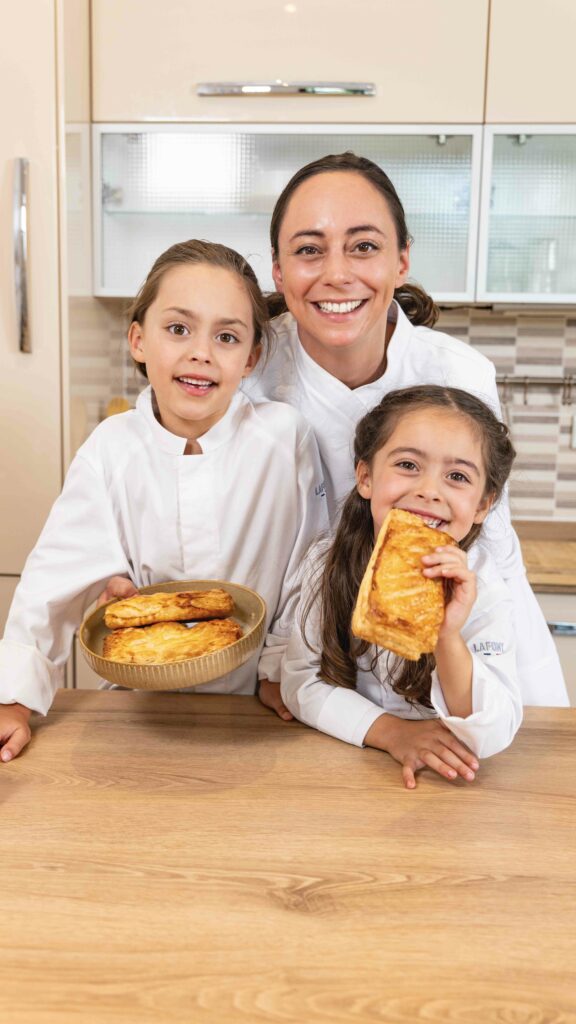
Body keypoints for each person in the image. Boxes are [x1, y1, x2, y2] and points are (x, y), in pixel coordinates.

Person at [243, 151, 567, 713]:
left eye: (364, 246)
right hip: (292, 670)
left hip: (441, 669)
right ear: (277, 268)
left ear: (401, 261)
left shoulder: (457, 374)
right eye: (309, 250)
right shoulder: (247, 367)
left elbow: (487, 544)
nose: (337, 273)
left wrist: (475, 674)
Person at [0, 240, 328, 762]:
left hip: (258, 709)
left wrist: (281, 669)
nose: (201, 351)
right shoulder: (110, 448)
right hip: (136, 712)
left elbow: (309, 569)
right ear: (138, 340)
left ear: (252, 358)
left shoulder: (284, 439)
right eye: (178, 329)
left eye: (226, 336)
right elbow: (52, 581)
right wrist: (14, 699)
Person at [281, 385, 523, 788]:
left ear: (482, 505)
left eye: (457, 476)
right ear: (365, 477)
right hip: (341, 765)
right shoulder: (327, 562)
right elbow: (301, 682)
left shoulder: (485, 590)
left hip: (440, 783)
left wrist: (447, 634)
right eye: (408, 465)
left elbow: (493, 733)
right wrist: (392, 733)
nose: (429, 490)